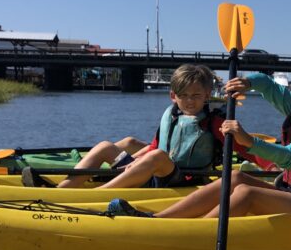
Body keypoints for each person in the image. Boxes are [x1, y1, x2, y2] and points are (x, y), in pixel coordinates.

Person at [107, 59, 291, 218]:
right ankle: (160, 219)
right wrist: (247, 82)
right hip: (290, 190)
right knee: (234, 176)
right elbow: (268, 85)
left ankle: (196, 229)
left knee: (246, 192)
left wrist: (248, 141)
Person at [49, 64, 253, 190]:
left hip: (185, 179)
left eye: (196, 95)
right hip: (156, 173)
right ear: (173, 96)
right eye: (183, 96)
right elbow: (157, 145)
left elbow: (246, 148)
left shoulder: (215, 123)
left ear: (207, 95)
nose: (189, 101)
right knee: (105, 146)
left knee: (157, 158)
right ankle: (63, 189)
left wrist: (271, 165)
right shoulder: (172, 115)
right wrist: (135, 162)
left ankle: (101, 192)